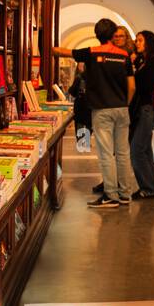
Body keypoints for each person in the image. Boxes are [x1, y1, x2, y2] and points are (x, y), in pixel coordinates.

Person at [54, 18, 136, 208]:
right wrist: (125, 104)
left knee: (106, 154)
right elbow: (132, 86)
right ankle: (125, 194)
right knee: (123, 153)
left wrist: (48, 47)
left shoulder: (91, 52)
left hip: (102, 110)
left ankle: (110, 196)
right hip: (122, 109)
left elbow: (61, 52)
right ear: (113, 34)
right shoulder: (124, 56)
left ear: (97, 35)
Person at [128, 30, 154, 199]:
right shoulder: (145, 60)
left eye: (140, 40)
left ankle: (148, 188)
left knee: (136, 150)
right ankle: (151, 187)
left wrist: (134, 70)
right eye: (136, 40)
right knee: (146, 150)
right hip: (144, 109)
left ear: (149, 42)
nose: (137, 43)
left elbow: (144, 85)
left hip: (147, 109)